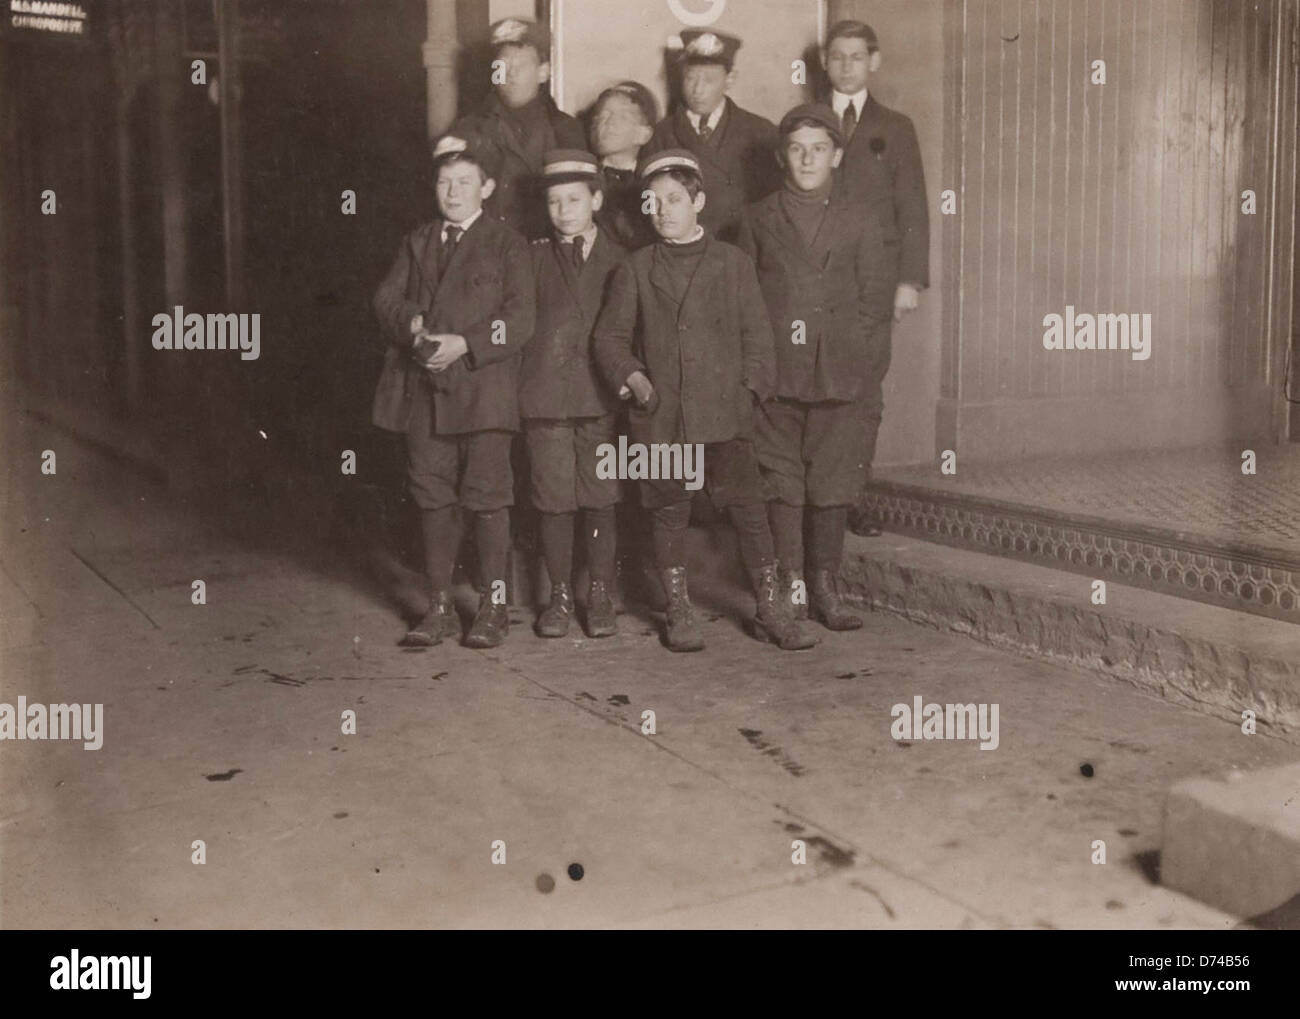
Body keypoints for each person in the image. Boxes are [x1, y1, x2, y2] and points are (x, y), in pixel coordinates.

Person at [593, 149, 813, 653]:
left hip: (725, 417)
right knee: (669, 510)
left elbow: (759, 338)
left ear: (699, 201)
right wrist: (636, 381)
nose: (664, 210)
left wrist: (750, 393)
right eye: (654, 202)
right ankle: (678, 609)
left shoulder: (733, 264)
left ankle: (771, 607)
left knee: (750, 512)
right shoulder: (635, 269)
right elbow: (608, 339)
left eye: (675, 199)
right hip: (662, 418)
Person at [371, 133, 534, 649]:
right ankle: (439, 606)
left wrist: (465, 342)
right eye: (444, 182)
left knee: (488, 500)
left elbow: (520, 320)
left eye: (465, 182)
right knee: (432, 498)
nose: (453, 192)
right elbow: (384, 299)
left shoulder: (508, 244)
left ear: (486, 187)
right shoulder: (418, 240)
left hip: (483, 394)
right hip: (425, 394)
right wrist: (413, 325)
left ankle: (493, 608)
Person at [737, 104, 894, 630]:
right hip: (779, 377)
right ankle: (793, 585)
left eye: (819, 149)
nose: (807, 159)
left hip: (839, 375)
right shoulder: (757, 218)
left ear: (838, 156)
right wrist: (756, 373)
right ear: (783, 155)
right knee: (782, 484)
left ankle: (826, 584)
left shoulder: (861, 219)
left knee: (830, 483)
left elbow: (875, 305)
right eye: (798, 149)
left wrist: (864, 370)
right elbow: (747, 304)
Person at [818, 19, 929, 536]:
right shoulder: (807, 122)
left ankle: (852, 495)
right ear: (824, 62)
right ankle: (818, 497)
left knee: (863, 389)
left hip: (873, 281)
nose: (846, 66)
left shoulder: (896, 127)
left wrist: (909, 281)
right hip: (815, 281)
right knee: (815, 384)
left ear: (874, 62)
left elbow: (913, 209)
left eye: (856, 57)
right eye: (837, 56)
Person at [521, 150, 626, 638]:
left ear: (597, 200)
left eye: (575, 199)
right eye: (554, 201)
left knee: (600, 497)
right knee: (553, 500)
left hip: (599, 398)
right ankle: (559, 595)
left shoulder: (620, 258)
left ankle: (599, 592)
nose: (564, 210)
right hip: (545, 399)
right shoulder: (532, 255)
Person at [452, 17, 586, 239]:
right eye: (502, 66)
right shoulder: (469, 128)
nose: (510, 74)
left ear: (543, 72)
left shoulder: (565, 129)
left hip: (545, 255)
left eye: (520, 65)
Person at [643, 29, 779, 244]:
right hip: (679, 249)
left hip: (742, 248)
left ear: (730, 79)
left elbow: (773, 205)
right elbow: (647, 202)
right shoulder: (661, 134)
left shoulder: (760, 131)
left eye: (708, 80)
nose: (697, 89)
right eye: (690, 78)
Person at [589, 80, 659, 250]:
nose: (609, 123)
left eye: (623, 117)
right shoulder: (584, 181)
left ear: (644, 134)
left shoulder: (652, 185)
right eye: (603, 115)